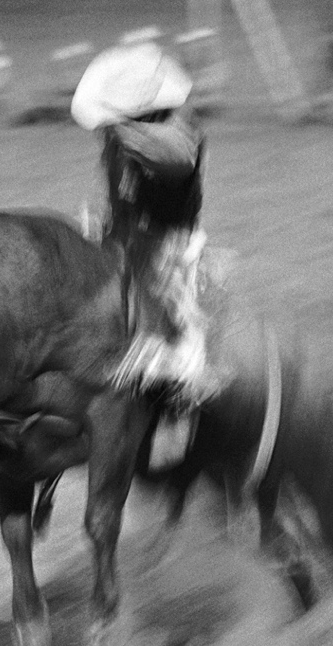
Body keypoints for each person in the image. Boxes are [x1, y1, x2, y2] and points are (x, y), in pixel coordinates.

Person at [70, 41, 222, 410]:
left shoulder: (177, 135)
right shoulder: (120, 139)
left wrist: (120, 129)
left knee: (171, 364)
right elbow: (118, 193)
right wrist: (103, 227)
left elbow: (175, 159)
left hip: (171, 247)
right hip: (124, 240)